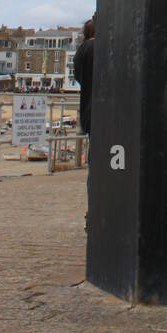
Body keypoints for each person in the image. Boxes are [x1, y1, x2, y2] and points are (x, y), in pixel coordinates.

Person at [73, 18, 94, 228]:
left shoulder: (80, 51)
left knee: (94, 165)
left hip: (89, 113)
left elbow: (79, 77)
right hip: (105, 113)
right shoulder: (98, 48)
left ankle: (93, 209)